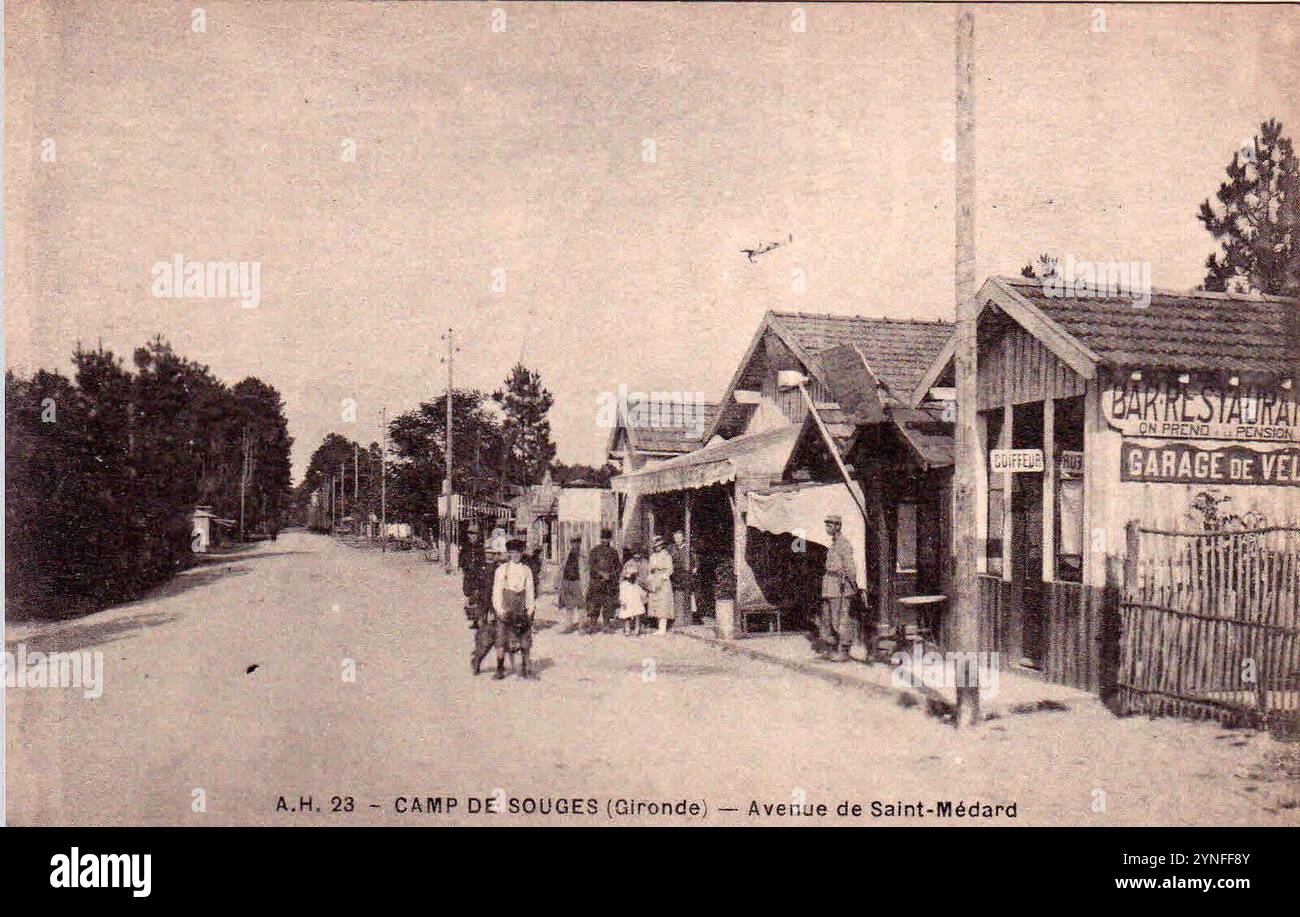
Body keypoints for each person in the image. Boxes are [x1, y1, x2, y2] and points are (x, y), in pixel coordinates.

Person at [488, 538, 537, 680]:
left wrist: (529, 610)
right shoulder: (501, 570)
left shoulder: (526, 570)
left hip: (520, 609)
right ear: (509, 553)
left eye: (518, 552)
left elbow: (530, 592)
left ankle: (525, 668)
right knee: (501, 637)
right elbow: (496, 592)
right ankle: (500, 668)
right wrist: (499, 611)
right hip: (506, 608)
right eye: (513, 552)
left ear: (522, 553)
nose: (516, 555)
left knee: (525, 639)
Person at [819, 513, 864, 662]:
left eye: (830, 525)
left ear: (838, 526)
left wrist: (853, 585)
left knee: (841, 620)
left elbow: (850, 567)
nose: (827, 527)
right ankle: (834, 648)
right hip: (830, 588)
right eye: (827, 524)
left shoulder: (843, 544)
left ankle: (844, 651)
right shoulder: (834, 544)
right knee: (830, 619)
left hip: (840, 588)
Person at [585, 529, 621, 633]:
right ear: (600, 539)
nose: (605, 541)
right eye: (603, 539)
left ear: (610, 539)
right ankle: (593, 624)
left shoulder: (614, 552)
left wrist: (610, 575)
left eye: (607, 539)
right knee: (594, 603)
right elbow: (591, 565)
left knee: (608, 603)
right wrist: (601, 573)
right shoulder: (594, 551)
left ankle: (607, 625)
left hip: (609, 583)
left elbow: (618, 567)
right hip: (596, 582)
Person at [646, 534, 675, 635]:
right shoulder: (652, 556)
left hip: (663, 581)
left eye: (660, 545)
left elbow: (670, 569)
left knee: (663, 604)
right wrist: (650, 579)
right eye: (656, 545)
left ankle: (663, 629)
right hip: (654, 579)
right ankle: (659, 628)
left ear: (662, 545)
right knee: (656, 604)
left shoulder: (666, 555)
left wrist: (662, 579)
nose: (658, 547)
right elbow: (650, 570)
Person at [558, 535, 585, 633]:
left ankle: (582, 626)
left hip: (578, 581)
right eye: (573, 542)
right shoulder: (567, 554)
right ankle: (569, 625)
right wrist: (558, 582)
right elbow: (561, 568)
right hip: (566, 581)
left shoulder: (582, 555)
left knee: (581, 604)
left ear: (580, 543)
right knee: (569, 604)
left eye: (577, 542)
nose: (575, 544)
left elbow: (585, 570)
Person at [667, 530, 695, 625]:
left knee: (687, 596)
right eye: (675, 538)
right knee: (676, 596)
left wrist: (695, 568)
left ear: (683, 538)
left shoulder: (688, 548)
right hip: (675, 575)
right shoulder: (671, 549)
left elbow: (695, 559)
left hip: (686, 574)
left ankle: (687, 619)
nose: (677, 540)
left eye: (679, 537)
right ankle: (677, 618)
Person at [460, 522, 485, 628]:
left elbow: (483, 559)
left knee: (479, 596)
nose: (472, 536)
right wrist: (465, 567)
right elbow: (461, 559)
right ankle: (473, 619)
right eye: (470, 534)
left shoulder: (481, 547)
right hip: (469, 575)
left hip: (478, 575)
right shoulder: (466, 547)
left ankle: (479, 619)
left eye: (475, 534)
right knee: (470, 596)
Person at [618, 554, 647, 636]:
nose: (632, 578)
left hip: (636, 603)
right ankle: (627, 629)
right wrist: (623, 601)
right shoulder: (624, 584)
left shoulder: (637, 584)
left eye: (634, 576)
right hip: (627, 603)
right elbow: (622, 594)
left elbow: (641, 592)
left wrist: (644, 597)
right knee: (627, 616)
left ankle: (637, 629)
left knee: (637, 616)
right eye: (631, 576)